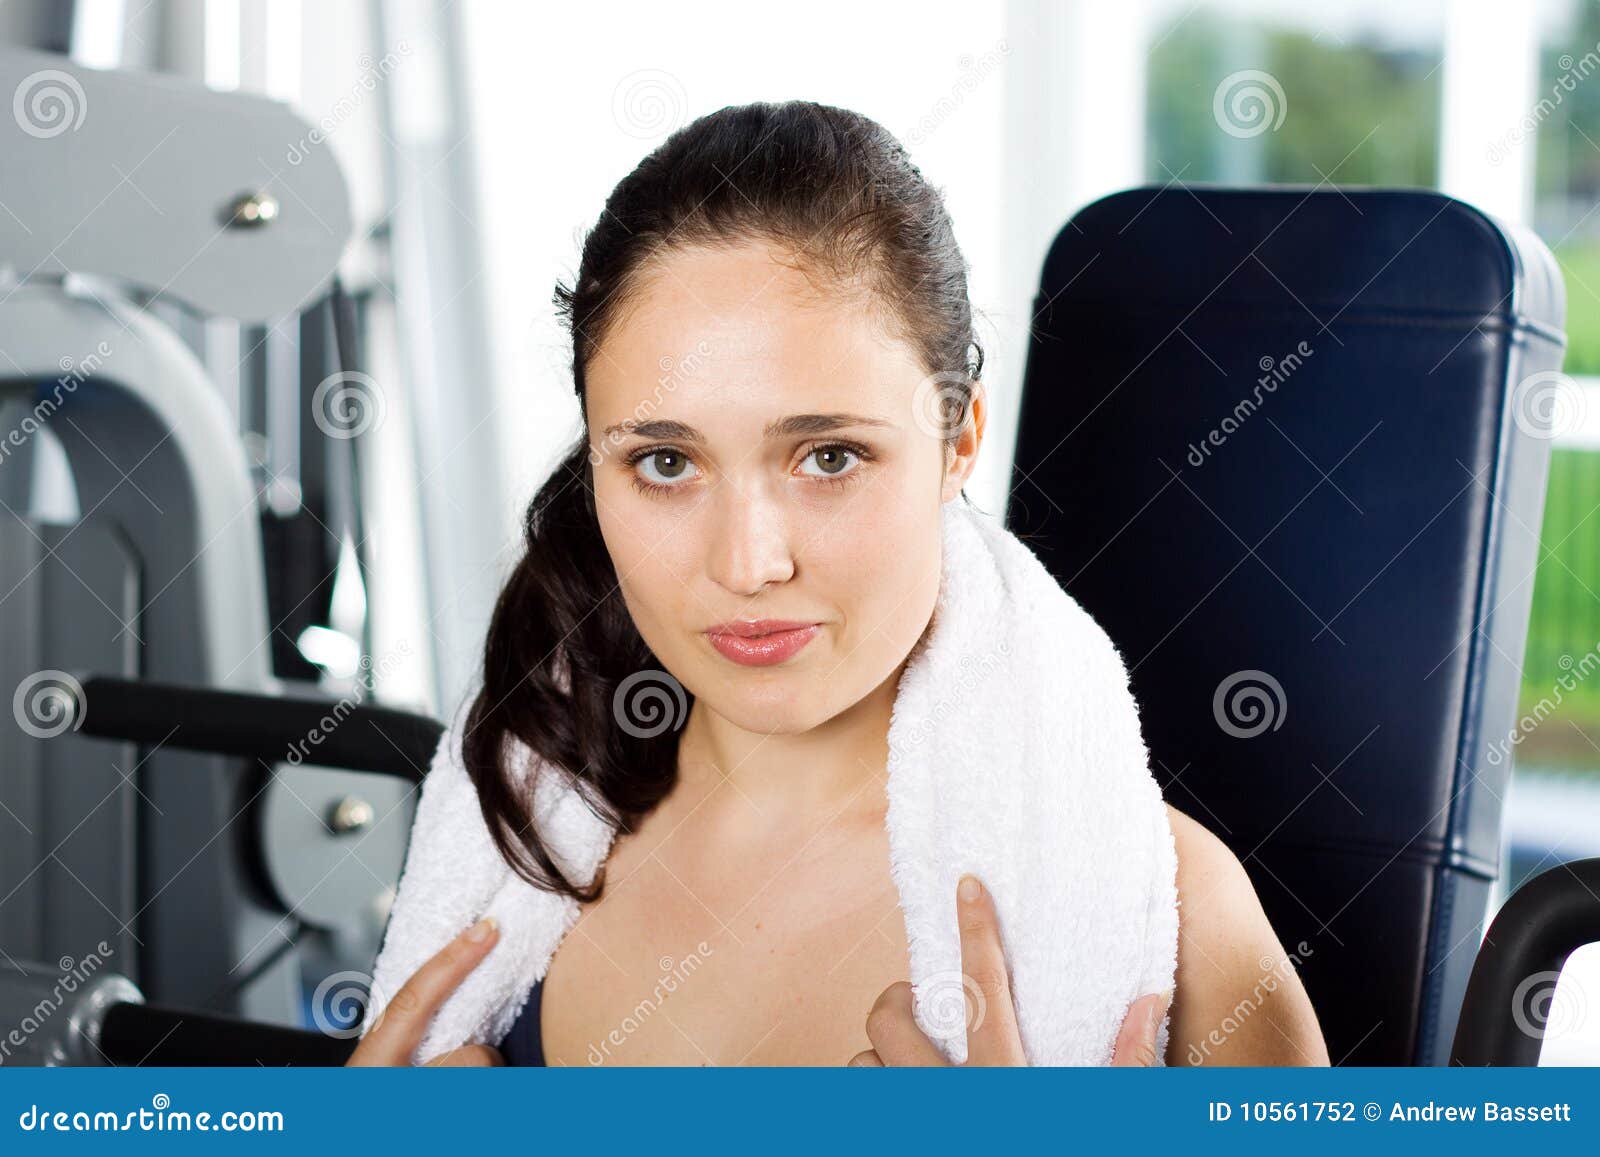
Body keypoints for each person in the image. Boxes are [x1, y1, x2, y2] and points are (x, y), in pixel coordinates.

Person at [349, 99, 1329, 1067]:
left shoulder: (1170, 913)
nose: (746, 563)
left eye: (826, 456)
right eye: (663, 463)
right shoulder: (515, 830)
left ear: (958, 441)